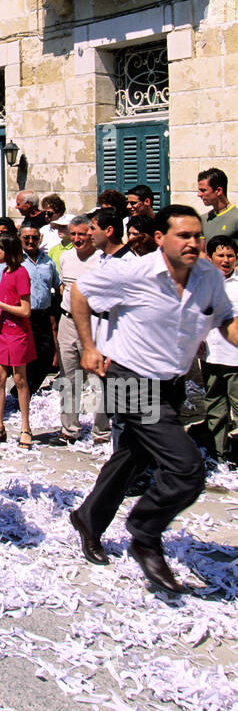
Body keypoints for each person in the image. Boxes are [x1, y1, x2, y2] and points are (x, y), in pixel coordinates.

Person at [69, 205, 238, 592]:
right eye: (184, 235)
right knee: (187, 469)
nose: (193, 243)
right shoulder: (134, 273)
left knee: (133, 455)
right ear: (160, 238)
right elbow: (80, 292)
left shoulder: (209, 277)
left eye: (198, 236)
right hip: (129, 379)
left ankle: (88, 518)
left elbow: (226, 320)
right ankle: (145, 534)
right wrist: (89, 346)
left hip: (170, 382)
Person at [0, 234, 36, 449]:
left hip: (18, 332)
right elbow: (3, 301)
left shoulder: (21, 273)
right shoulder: (4, 271)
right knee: (0, 378)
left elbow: (25, 310)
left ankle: (25, 427)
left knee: (20, 379)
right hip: (2, 331)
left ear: (8, 251)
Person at [54, 215, 106, 444]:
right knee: (69, 377)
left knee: (98, 379)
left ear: (91, 234)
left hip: (94, 323)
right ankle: (70, 429)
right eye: (73, 234)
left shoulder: (102, 260)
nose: (76, 239)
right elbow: (63, 286)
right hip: (67, 321)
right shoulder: (65, 257)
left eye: (81, 234)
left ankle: (102, 432)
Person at [198, 236, 238, 464]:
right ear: (210, 257)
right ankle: (219, 455)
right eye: (220, 255)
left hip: (235, 359)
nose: (226, 260)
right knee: (215, 406)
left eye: (230, 256)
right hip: (211, 357)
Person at [19, 223, 60, 397]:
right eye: (26, 237)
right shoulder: (15, 261)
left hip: (43, 315)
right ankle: (23, 393)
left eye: (34, 238)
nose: (31, 241)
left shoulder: (48, 261)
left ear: (40, 239)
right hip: (22, 316)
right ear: (19, 239)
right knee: (26, 358)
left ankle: (25, 390)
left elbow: (58, 284)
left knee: (47, 354)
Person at [198, 168, 238, 243]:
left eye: (203, 190)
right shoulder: (202, 219)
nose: (199, 194)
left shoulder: (236, 217)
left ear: (218, 191)